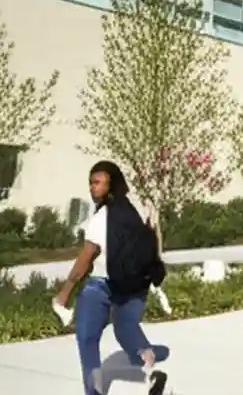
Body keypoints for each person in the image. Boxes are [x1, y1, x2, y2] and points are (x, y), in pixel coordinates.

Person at [54, 161, 169, 395]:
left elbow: (86, 259)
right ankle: (149, 373)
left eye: (97, 182)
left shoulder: (102, 218)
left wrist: (64, 293)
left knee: (87, 338)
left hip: (103, 285)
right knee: (127, 329)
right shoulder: (134, 210)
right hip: (136, 284)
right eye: (91, 183)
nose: (92, 188)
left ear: (111, 184)